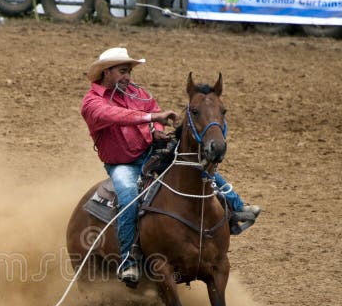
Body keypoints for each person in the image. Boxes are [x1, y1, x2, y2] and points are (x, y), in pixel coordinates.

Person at [81, 47, 260, 285]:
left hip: (149, 153)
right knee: (128, 197)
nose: (128, 77)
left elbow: (153, 110)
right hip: (122, 164)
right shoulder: (92, 102)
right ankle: (129, 260)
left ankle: (236, 207)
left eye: (129, 72)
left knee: (196, 168)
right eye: (123, 71)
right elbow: (115, 115)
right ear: (107, 72)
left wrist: (156, 131)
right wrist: (152, 120)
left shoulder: (138, 93)